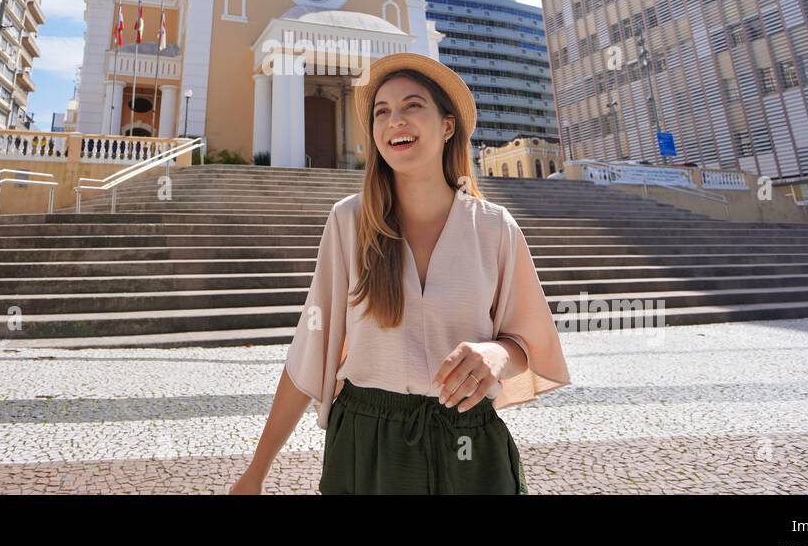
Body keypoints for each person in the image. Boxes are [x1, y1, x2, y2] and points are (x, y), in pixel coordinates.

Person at [230, 51, 570, 494]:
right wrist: (254, 474)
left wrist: (497, 355)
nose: (396, 121)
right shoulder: (348, 222)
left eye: (412, 106)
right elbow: (310, 351)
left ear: (448, 126)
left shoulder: (494, 227)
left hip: (469, 444)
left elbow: (528, 342)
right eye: (382, 112)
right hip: (367, 445)